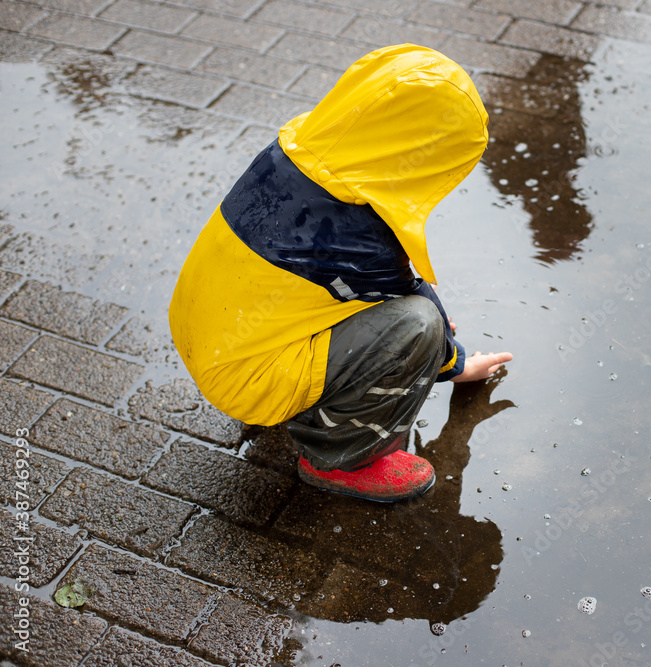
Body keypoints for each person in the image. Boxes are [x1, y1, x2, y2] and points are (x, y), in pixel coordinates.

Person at [169, 44, 512, 502]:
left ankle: (303, 387)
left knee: (396, 315)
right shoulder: (356, 234)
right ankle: (340, 458)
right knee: (418, 328)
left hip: (212, 334)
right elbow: (413, 301)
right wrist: (451, 362)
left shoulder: (295, 154)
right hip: (243, 375)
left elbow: (340, 280)